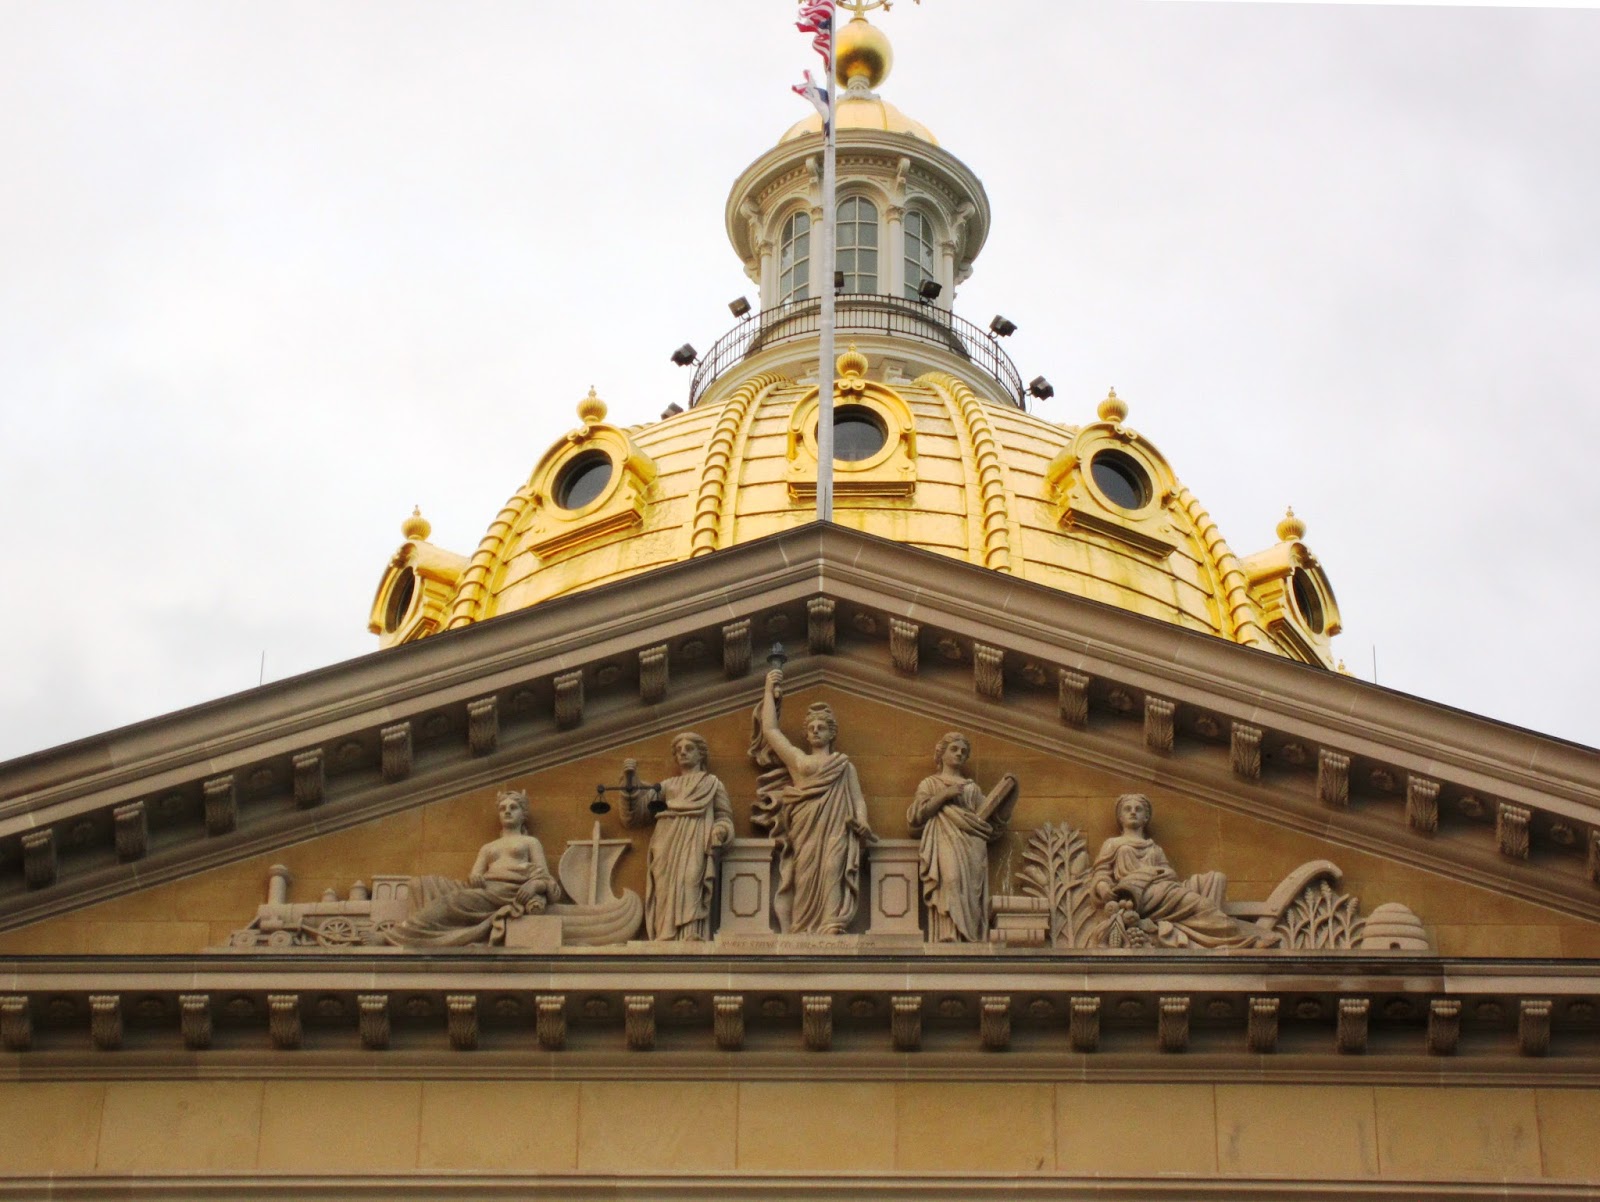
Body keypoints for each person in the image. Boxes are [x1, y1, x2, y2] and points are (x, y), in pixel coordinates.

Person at [754, 669, 875, 934]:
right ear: (806, 735)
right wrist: (768, 691)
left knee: (833, 869)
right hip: (805, 827)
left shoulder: (843, 766)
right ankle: (801, 927)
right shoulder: (799, 761)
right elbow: (771, 731)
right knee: (805, 873)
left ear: (832, 733)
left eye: (822, 728)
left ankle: (831, 924)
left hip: (837, 827)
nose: (816, 731)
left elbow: (857, 800)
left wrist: (862, 821)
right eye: (811, 728)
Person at [1089, 793, 1277, 949]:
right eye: (1127, 809)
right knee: (1200, 907)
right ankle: (1245, 941)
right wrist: (1104, 887)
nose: (1132, 812)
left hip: (1162, 891)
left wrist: (1156, 874)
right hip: (1135, 898)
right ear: (1120, 817)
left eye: (1138, 809)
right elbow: (1101, 872)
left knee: (1202, 905)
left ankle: (1238, 939)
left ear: (1146, 817)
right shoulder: (1113, 844)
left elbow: (1169, 873)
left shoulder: (1154, 847)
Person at [386, 788, 561, 947]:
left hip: (509, 891)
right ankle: (416, 932)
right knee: (423, 884)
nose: (507, 810)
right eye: (503, 808)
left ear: (523, 814)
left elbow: (545, 877)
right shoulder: (488, 847)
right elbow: (475, 874)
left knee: (450, 902)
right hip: (487, 890)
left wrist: (535, 885)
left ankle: (396, 935)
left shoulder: (530, 842)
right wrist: (475, 877)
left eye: (513, 807)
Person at [620, 732, 735, 941]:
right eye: (678, 750)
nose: (682, 752)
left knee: (691, 879)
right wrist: (630, 787)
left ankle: (691, 934)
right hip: (667, 841)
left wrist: (721, 831)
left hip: (696, 838)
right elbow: (637, 815)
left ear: (701, 755)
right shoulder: (667, 786)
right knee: (664, 887)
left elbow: (724, 816)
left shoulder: (712, 784)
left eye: (689, 748)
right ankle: (666, 935)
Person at [906, 732, 1014, 943]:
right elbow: (916, 816)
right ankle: (948, 933)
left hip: (972, 845)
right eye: (954, 749)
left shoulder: (971, 787)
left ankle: (969, 937)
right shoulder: (930, 784)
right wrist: (943, 796)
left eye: (963, 751)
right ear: (941, 753)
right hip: (944, 837)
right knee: (951, 880)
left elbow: (989, 818)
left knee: (970, 893)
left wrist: (1009, 795)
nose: (959, 754)